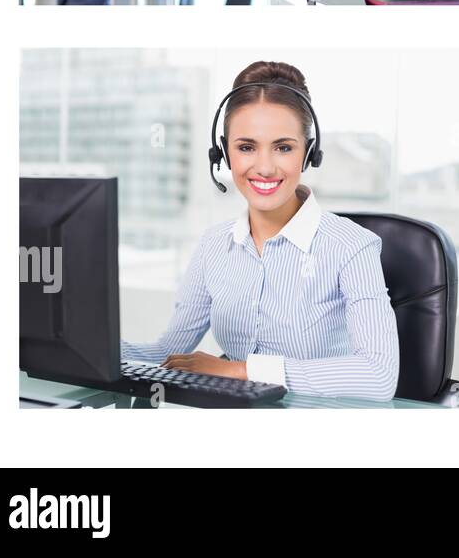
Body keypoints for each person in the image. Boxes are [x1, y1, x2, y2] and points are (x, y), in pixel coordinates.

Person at [121, 60, 400, 400]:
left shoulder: (351, 247)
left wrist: (241, 369)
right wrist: (82, 341)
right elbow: (168, 353)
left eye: (283, 147)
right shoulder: (214, 246)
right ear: (224, 153)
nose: (265, 167)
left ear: (308, 153)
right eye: (246, 147)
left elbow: (379, 375)